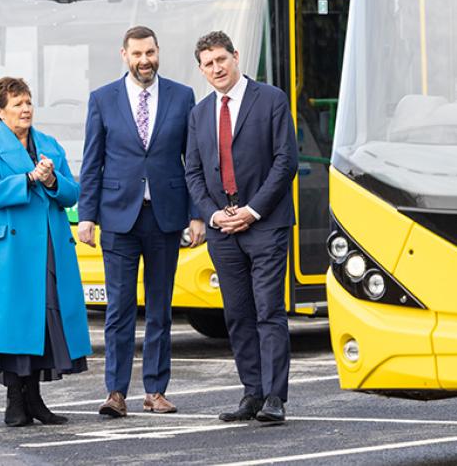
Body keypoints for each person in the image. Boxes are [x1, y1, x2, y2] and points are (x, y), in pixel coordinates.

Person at [77, 26, 203, 417]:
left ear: (158, 52)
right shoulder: (102, 99)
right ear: (124, 55)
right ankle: (115, 392)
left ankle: (155, 391)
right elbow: (92, 162)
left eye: (150, 52)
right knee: (118, 309)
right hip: (117, 218)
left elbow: (193, 162)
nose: (144, 60)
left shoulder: (183, 97)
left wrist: (197, 214)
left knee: (161, 309)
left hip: (165, 216)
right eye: (137, 54)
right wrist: (87, 217)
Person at [184, 31, 298, 424]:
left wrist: (252, 211)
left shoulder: (271, 99)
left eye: (221, 60)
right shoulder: (199, 113)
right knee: (237, 313)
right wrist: (214, 215)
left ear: (235, 57)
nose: (216, 68)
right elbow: (193, 172)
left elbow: (286, 162)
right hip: (222, 228)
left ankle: (274, 397)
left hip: (264, 224)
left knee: (268, 310)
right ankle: (251, 393)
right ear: (201, 70)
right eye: (208, 64)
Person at [0, 77, 92, 427]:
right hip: (10, 249)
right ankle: (14, 401)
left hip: (49, 245)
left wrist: (52, 181)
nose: (25, 109)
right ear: (0, 111)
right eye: (17, 103)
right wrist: (29, 179)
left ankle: (35, 399)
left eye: (28, 102)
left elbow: (71, 193)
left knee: (43, 321)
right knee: (13, 323)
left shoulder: (49, 144)